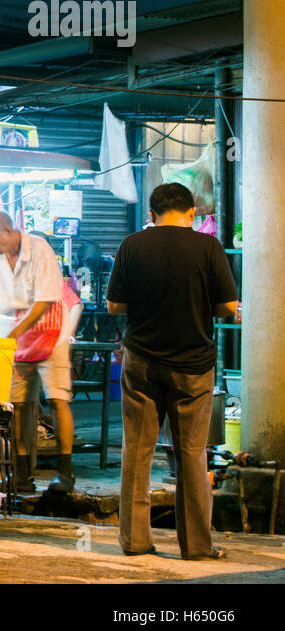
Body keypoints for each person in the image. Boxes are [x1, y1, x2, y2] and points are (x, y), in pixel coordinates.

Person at [107, 182, 239, 561]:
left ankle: (134, 541)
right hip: (193, 367)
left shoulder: (132, 245)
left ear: (151, 215)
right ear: (192, 213)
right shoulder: (208, 247)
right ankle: (197, 547)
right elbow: (228, 306)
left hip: (142, 363)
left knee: (137, 453)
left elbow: (115, 305)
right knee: (192, 455)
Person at [0, 208, 80, 494]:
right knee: (20, 405)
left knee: (58, 399)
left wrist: (14, 332)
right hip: (19, 335)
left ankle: (65, 471)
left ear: (4, 230)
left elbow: (46, 300)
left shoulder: (38, 248)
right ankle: (21, 473)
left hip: (52, 331)